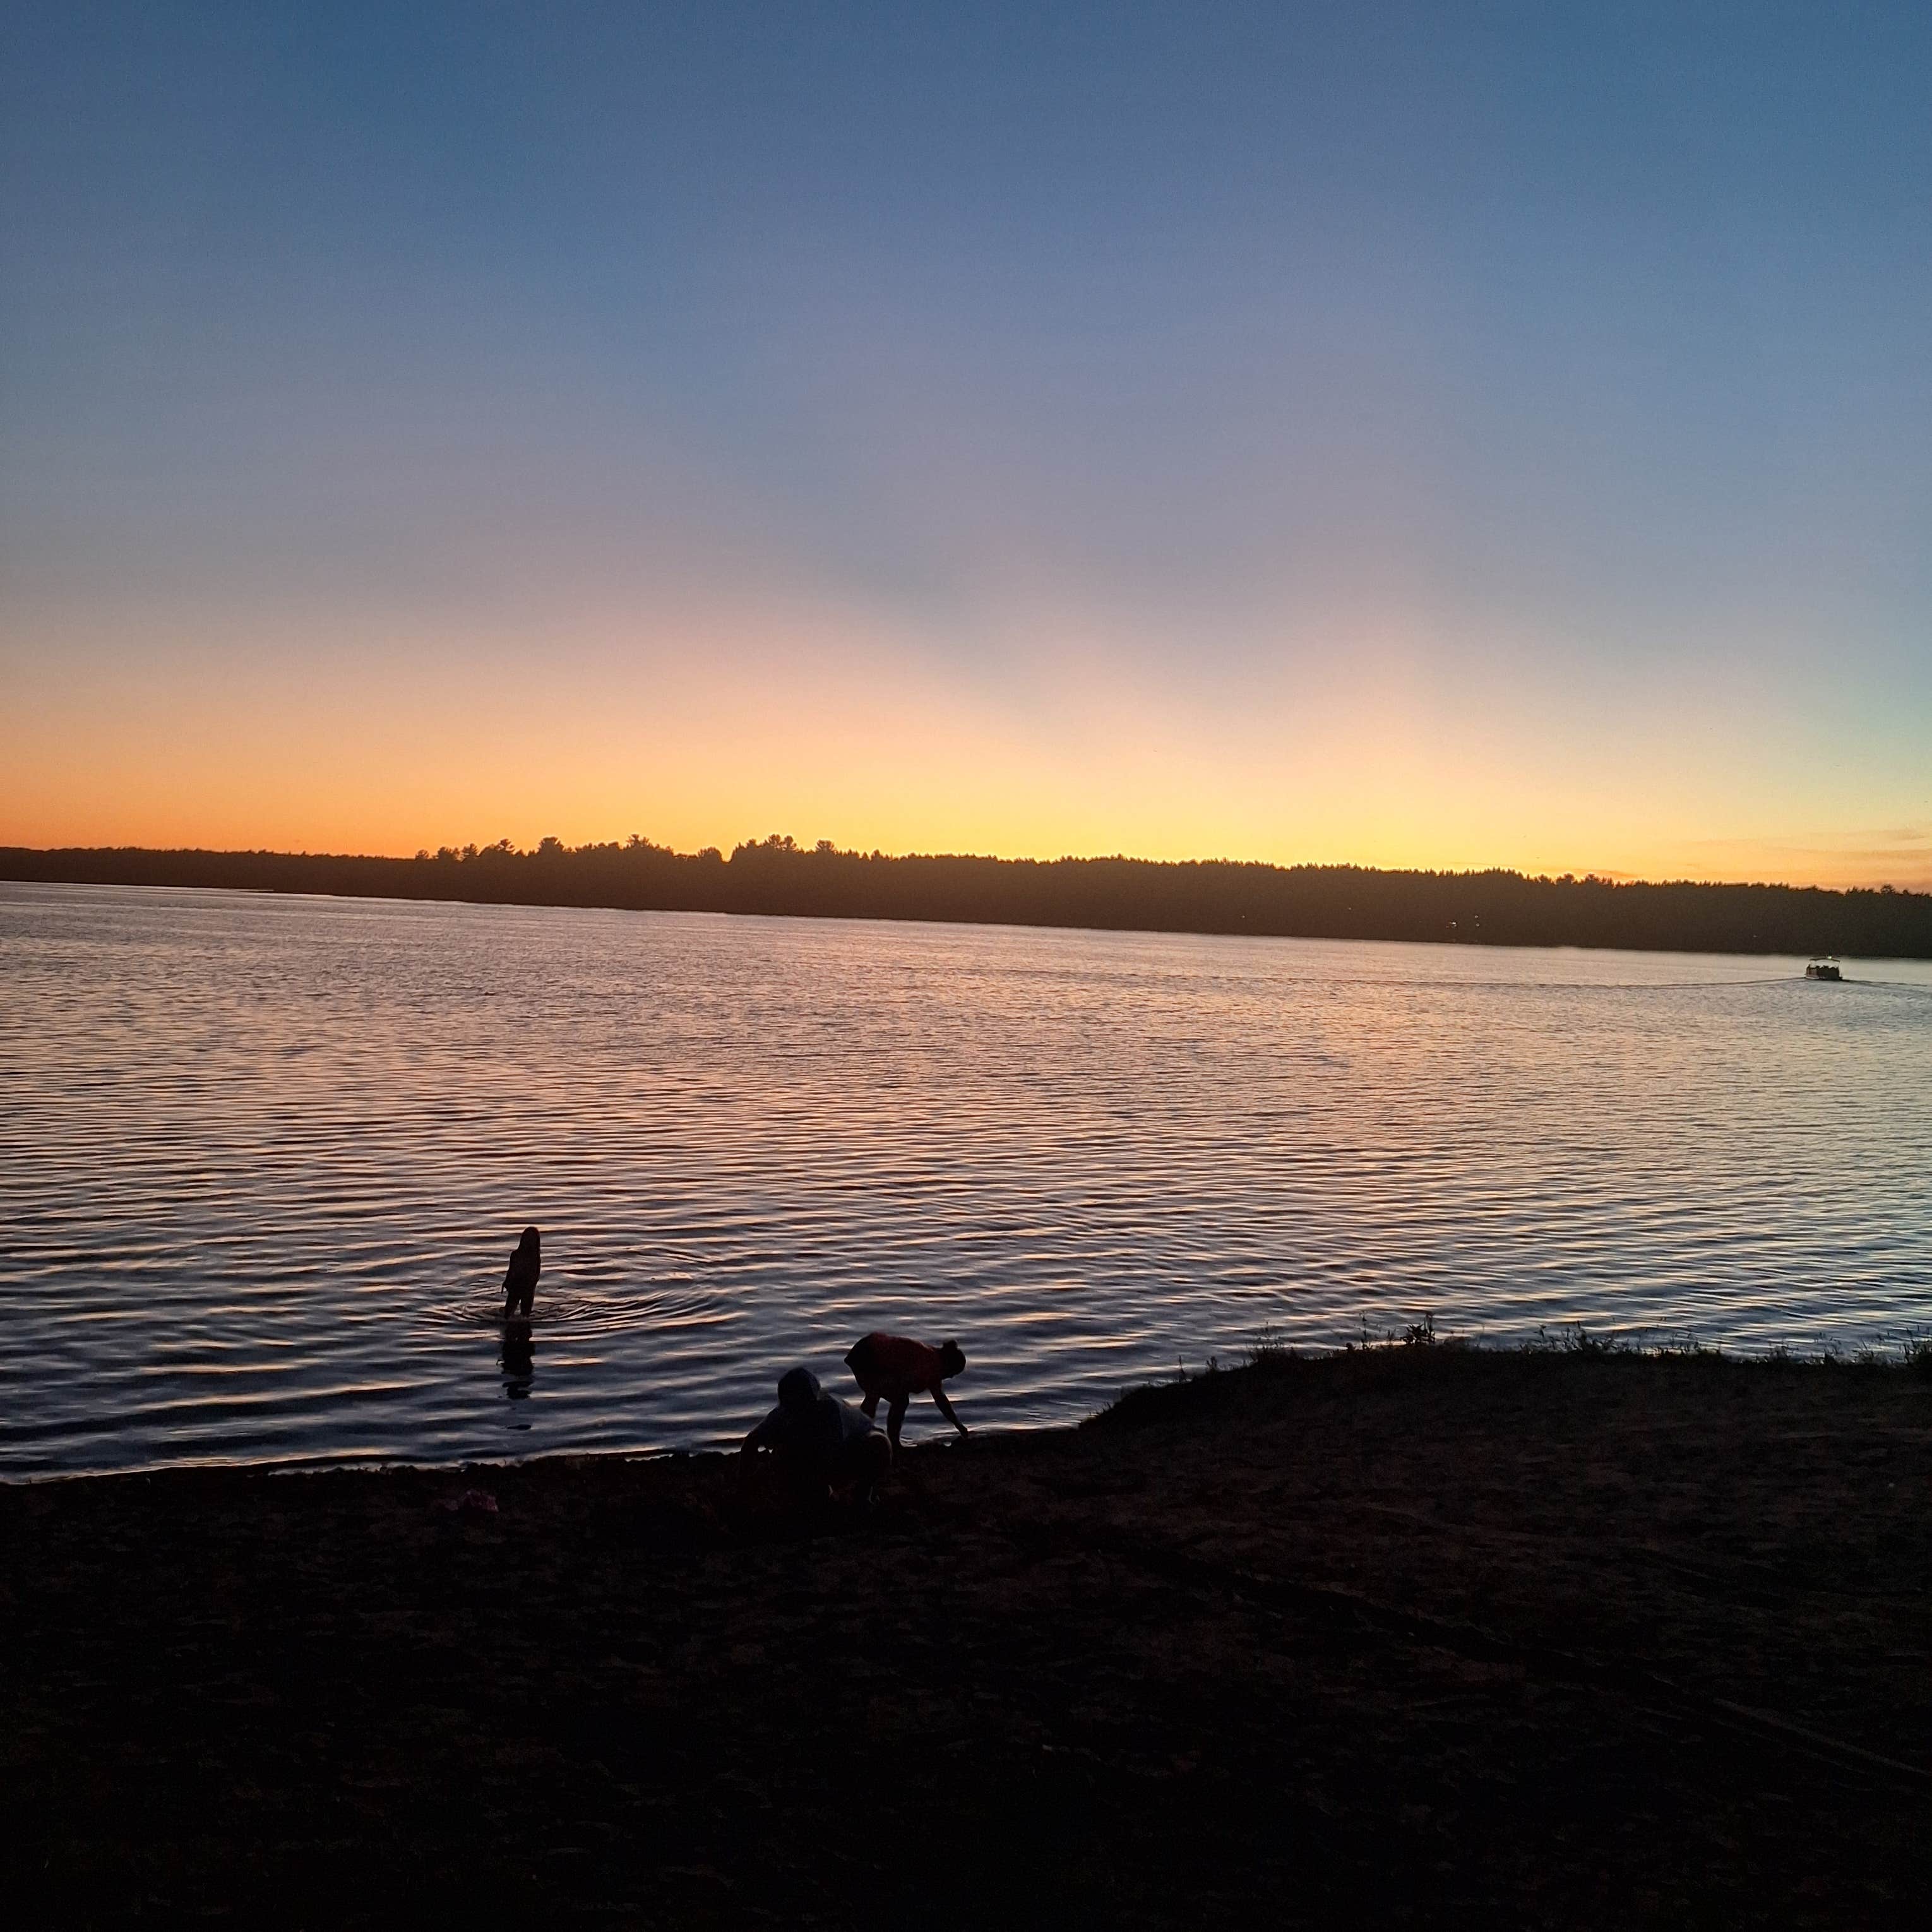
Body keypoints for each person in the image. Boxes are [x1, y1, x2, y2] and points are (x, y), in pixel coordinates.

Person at [741, 1366, 891, 1506]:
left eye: (804, 1401)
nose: (799, 1409)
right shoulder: (782, 1414)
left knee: (879, 1443)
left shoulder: (831, 1411)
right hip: (820, 1456)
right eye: (792, 1403)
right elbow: (752, 1441)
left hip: (853, 1448)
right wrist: (744, 1482)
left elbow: (832, 1454)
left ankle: (863, 1494)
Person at [844, 1332, 969, 1449]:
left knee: (876, 1394)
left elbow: (942, 1402)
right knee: (897, 1399)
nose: (951, 1377)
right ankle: (890, 1442)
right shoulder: (929, 1364)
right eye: (952, 1373)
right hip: (869, 1353)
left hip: (870, 1348)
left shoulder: (933, 1364)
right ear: (947, 1365)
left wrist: (958, 1425)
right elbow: (902, 1385)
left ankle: (863, 1433)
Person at [502, 1225, 540, 1318]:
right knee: (517, 1315)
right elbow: (511, 1271)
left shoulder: (534, 1258)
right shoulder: (519, 1255)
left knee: (517, 1315)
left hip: (524, 1288)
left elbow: (535, 1275)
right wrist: (507, 1282)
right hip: (518, 1287)